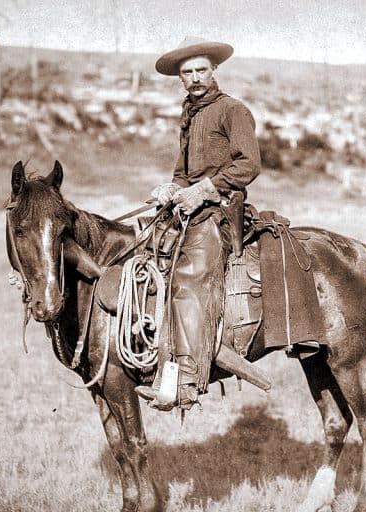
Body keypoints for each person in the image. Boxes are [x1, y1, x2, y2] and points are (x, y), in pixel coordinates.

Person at [135, 37, 261, 410]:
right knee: (145, 257)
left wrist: (205, 189)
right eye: (187, 72)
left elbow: (249, 164)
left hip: (221, 212)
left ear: (214, 70)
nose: (194, 78)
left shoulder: (232, 110)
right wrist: (170, 188)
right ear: (180, 78)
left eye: (201, 70)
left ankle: (187, 381)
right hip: (191, 209)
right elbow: (182, 172)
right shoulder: (189, 114)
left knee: (190, 279)